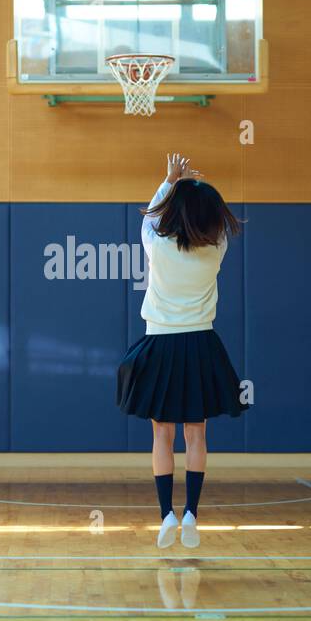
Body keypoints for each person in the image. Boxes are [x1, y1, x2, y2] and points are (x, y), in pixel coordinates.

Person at [116, 153, 248, 549]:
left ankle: (166, 516)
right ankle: (191, 512)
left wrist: (170, 180)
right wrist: (190, 189)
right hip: (200, 344)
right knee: (196, 434)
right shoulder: (217, 248)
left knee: (162, 435)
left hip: (160, 342)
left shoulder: (157, 245)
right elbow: (211, 220)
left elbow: (150, 218)